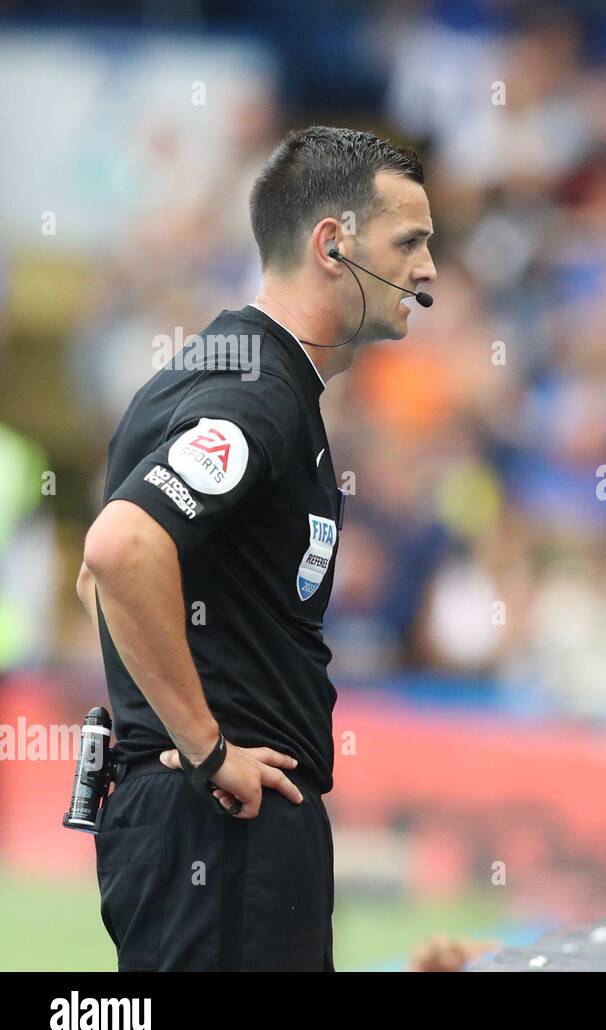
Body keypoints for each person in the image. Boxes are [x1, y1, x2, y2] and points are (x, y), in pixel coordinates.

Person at [77, 126, 436, 971]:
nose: (427, 271)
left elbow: (107, 580)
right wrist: (202, 746)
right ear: (332, 244)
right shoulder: (260, 395)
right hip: (225, 829)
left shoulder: (221, 373)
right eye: (410, 242)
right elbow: (121, 549)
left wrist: (164, 723)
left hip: (204, 824)